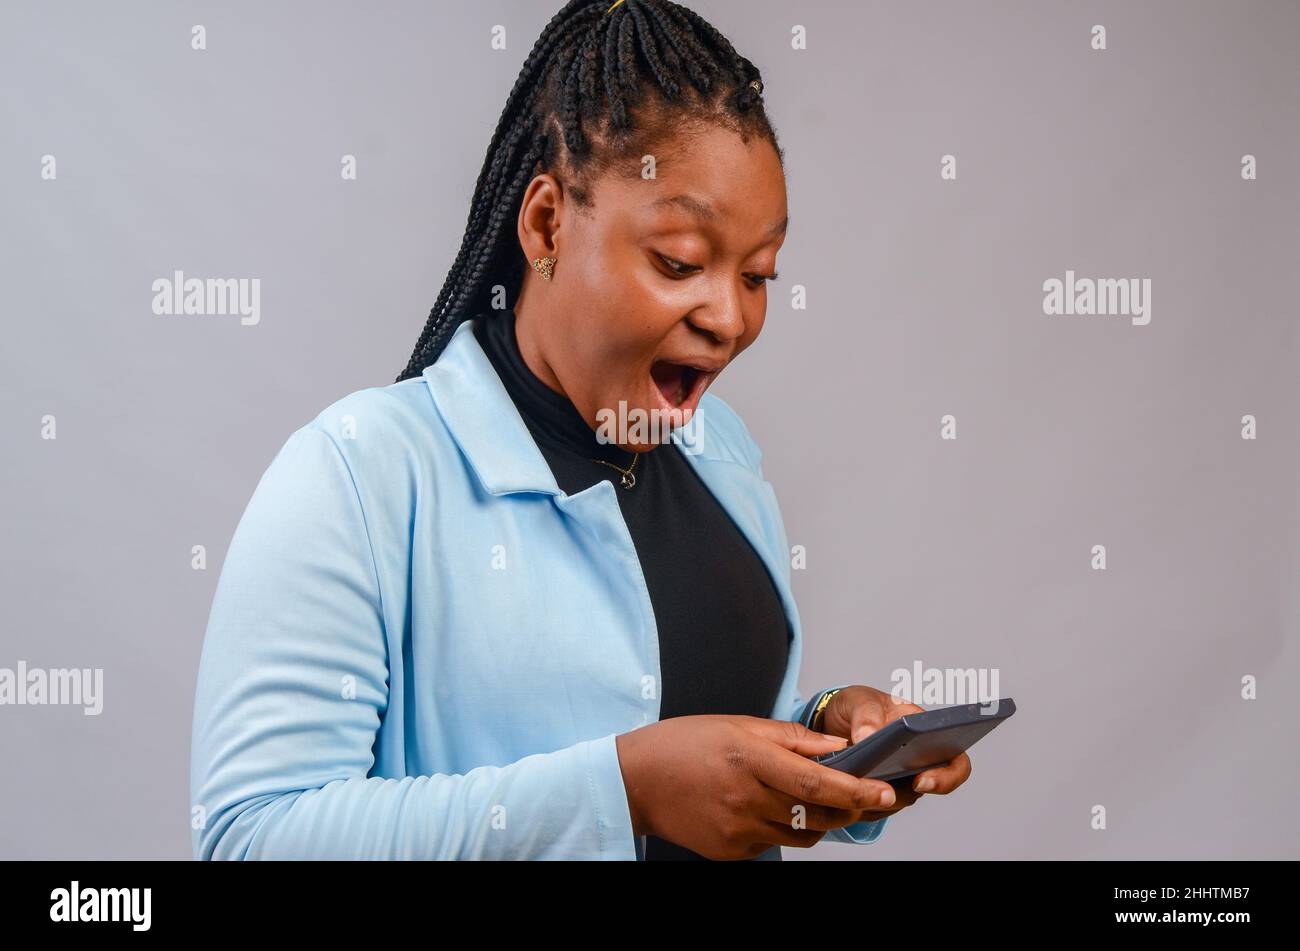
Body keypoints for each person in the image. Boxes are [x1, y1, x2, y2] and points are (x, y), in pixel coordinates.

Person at [189, 0, 970, 862]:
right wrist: (624, 791)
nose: (730, 316)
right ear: (547, 224)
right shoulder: (357, 475)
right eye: (679, 260)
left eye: (758, 273)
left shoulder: (721, 452)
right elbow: (251, 838)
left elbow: (692, 733)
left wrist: (824, 733)